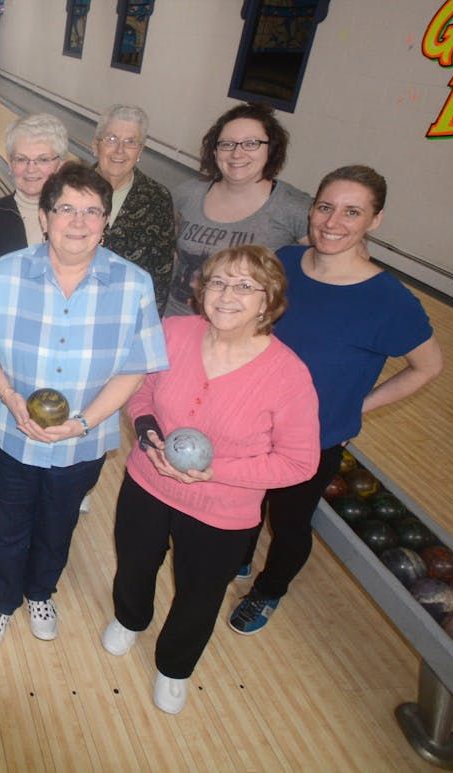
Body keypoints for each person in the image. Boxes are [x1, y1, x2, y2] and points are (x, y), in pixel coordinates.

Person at [103, 245, 320, 715]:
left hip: (222, 511)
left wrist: (216, 471)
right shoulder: (173, 332)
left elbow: (299, 464)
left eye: (245, 286)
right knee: (135, 563)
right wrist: (147, 431)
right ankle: (130, 618)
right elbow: (140, 391)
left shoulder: (289, 375)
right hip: (148, 482)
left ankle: (174, 667)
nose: (226, 294)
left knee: (199, 594)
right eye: (218, 282)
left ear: (268, 301)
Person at [229, 165, 442, 634]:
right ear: (312, 208)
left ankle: (269, 589)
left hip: (313, 438)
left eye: (352, 212)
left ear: (375, 221)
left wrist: (356, 407)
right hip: (251, 419)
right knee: (243, 499)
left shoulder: (389, 300)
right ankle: (239, 557)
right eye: (325, 207)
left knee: (288, 521)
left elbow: (428, 367)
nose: (333, 222)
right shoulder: (283, 260)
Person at [0, 163, 167, 650]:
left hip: (83, 442)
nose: (78, 222)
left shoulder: (134, 283)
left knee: (57, 528)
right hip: (10, 430)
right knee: (6, 523)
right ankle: (1, 600)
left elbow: (135, 368)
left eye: (92, 211)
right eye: (66, 209)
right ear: (44, 217)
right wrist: (10, 397)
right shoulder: (7, 270)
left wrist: (82, 422)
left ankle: (40, 592)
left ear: (106, 221)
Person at [0, 113, 69, 561]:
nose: (30, 169)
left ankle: (42, 517)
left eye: (41, 160)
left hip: (60, 354)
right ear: (8, 164)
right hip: (1, 359)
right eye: (21, 159)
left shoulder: (76, 216)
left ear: (60, 164)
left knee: (51, 440)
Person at [166, 102, 308, 316]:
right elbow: (170, 251)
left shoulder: (292, 207)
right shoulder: (188, 194)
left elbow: (326, 263)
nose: (237, 154)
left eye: (251, 143)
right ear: (215, 151)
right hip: (175, 322)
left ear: (271, 149)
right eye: (227, 144)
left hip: (239, 334)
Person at [92, 104, 175, 314]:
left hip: (125, 316)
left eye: (130, 142)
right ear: (96, 145)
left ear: (140, 151)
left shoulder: (157, 198)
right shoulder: (70, 189)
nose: (120, 150)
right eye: (111, 139)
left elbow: (160, 274)